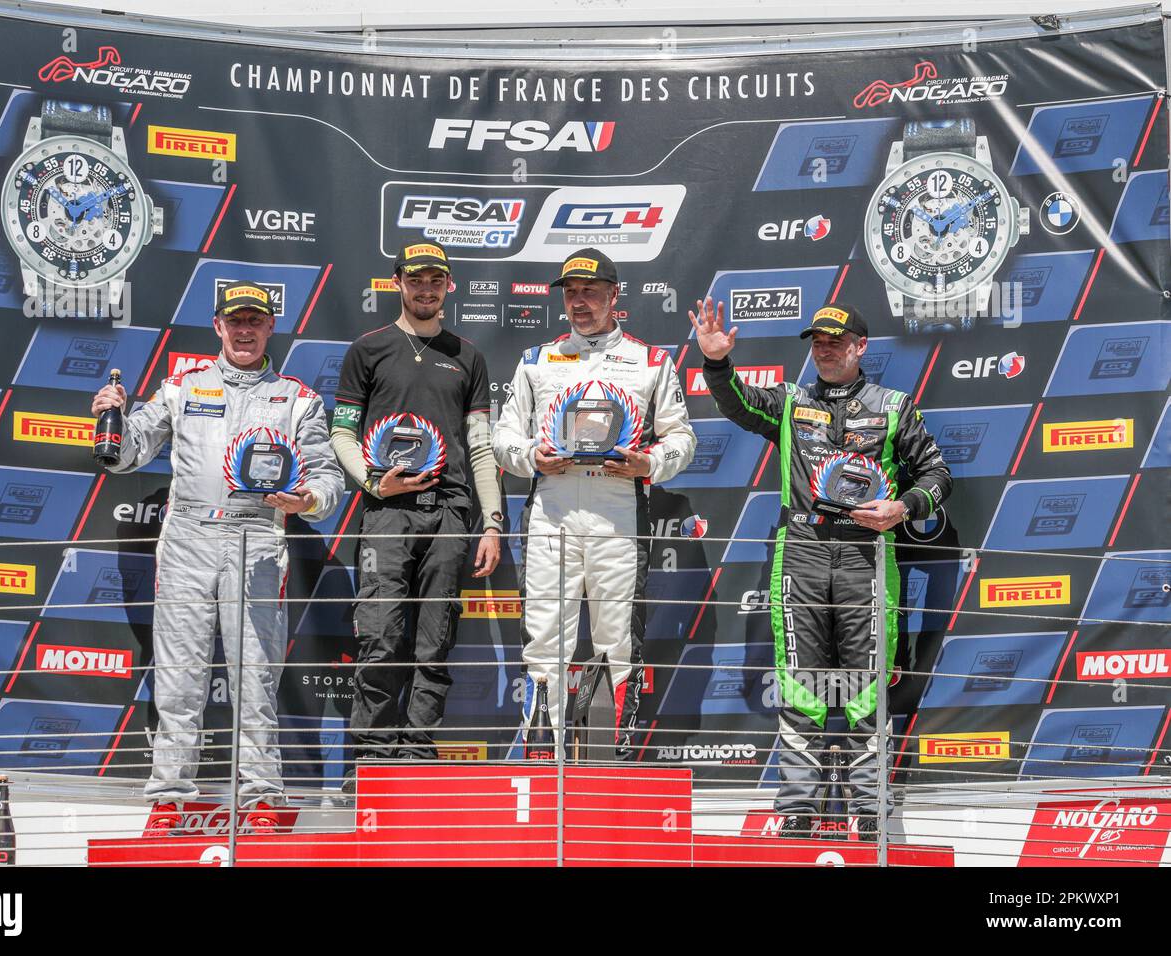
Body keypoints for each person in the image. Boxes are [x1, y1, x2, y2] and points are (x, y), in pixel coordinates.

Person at [690, 298, 952, 840]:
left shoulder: (894, 405)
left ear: (860, 348)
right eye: (817, 342)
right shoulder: (790, 401)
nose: (825, 350)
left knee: (868, 684)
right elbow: (739, 405)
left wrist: (902, 508)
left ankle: (869, 805)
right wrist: (716, 363)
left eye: (836, 342)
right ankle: (799, 807)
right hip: (802, 549)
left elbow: (937, 473)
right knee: (800, 682)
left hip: (868, 554)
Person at [91, 280, 343, 835]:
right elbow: (129, 453)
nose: (246, 329)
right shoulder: (182, 385)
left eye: (256, 319)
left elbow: (329, 477)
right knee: (179, 680)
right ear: (219, 326)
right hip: (187, 538)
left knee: (255, 679)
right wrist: (110, 417)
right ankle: (171, 799)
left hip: (257, 539)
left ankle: (261, 796)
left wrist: (309, 499)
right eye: (236, 320)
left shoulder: (298, 398)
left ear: (271, 325)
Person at [494, 248, 696, 758]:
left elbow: (682, 438)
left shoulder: (651, 362)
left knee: (616, 641)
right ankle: (544, 757)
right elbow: (503, 436)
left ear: (614, 295)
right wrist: (528, 457)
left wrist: (648, 466)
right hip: (552, 507)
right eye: (571, 292)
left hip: (618, 507)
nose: (580, 302)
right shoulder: (536, 360)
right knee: (544, 637)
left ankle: (611, 760)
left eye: (590, 291)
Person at [330, 241, 502, 788]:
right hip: (385, 511)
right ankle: (371, 766)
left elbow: (479, 447)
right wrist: (373, 482)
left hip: (451, 513)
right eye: (416, 279)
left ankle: (417, 758)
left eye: (436, 280)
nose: (425, 289)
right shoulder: (369, 349)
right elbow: (341, 432)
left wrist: (492, 521)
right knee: (380, 637)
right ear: (398, 282)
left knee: (435, 640)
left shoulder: (468, 356)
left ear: (448, 286)